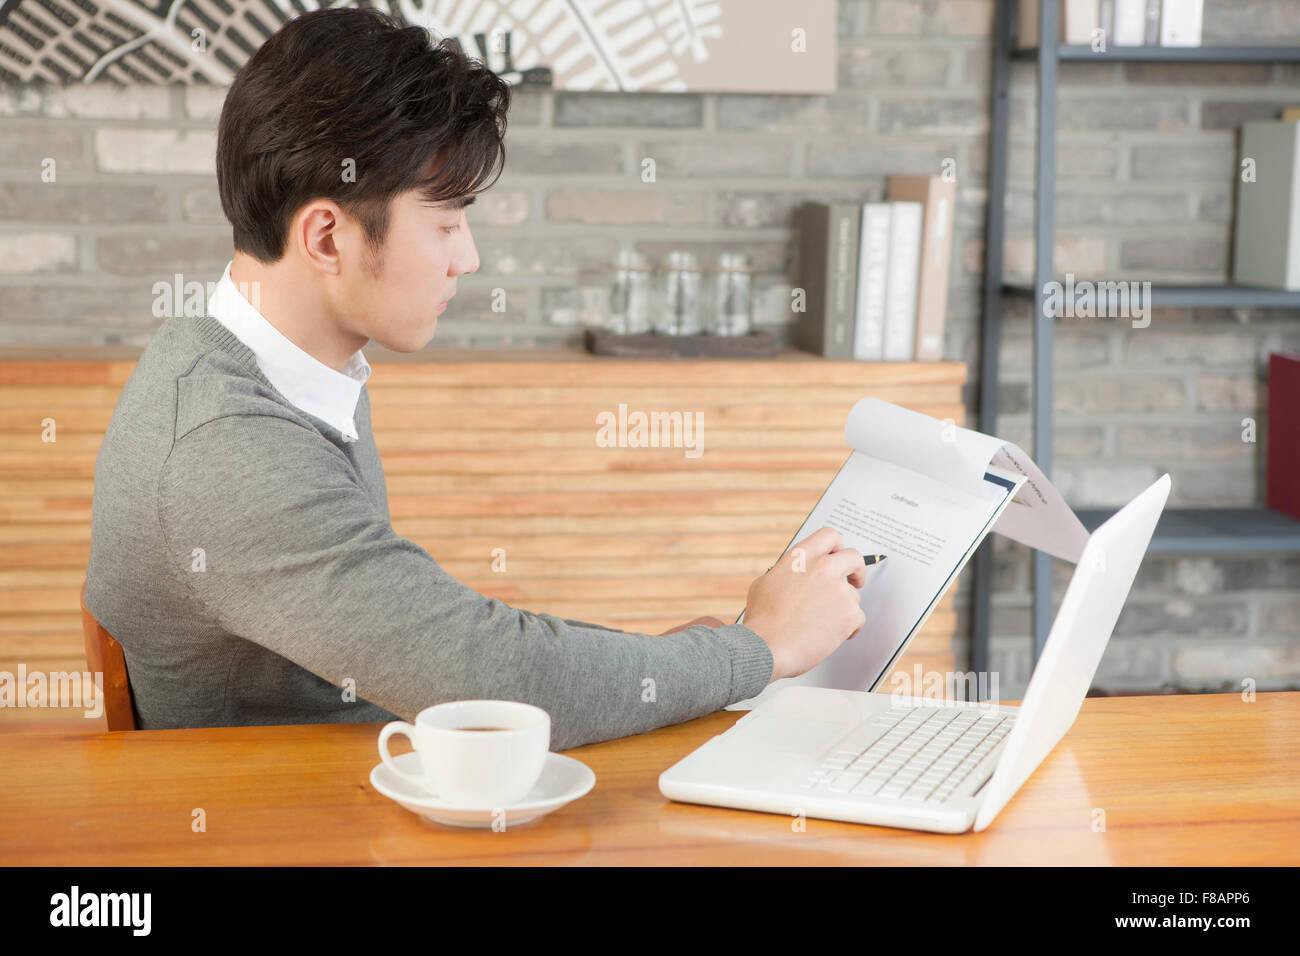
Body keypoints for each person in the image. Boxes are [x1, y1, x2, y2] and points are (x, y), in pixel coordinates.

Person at [85, 7, 867, 750]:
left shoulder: (255, 366)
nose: (469, 259)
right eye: (448, 222)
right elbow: (496, 680)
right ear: (327, 235)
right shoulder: (227, 449)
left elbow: (448, 638)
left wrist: (691, 659)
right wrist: (757, 648)